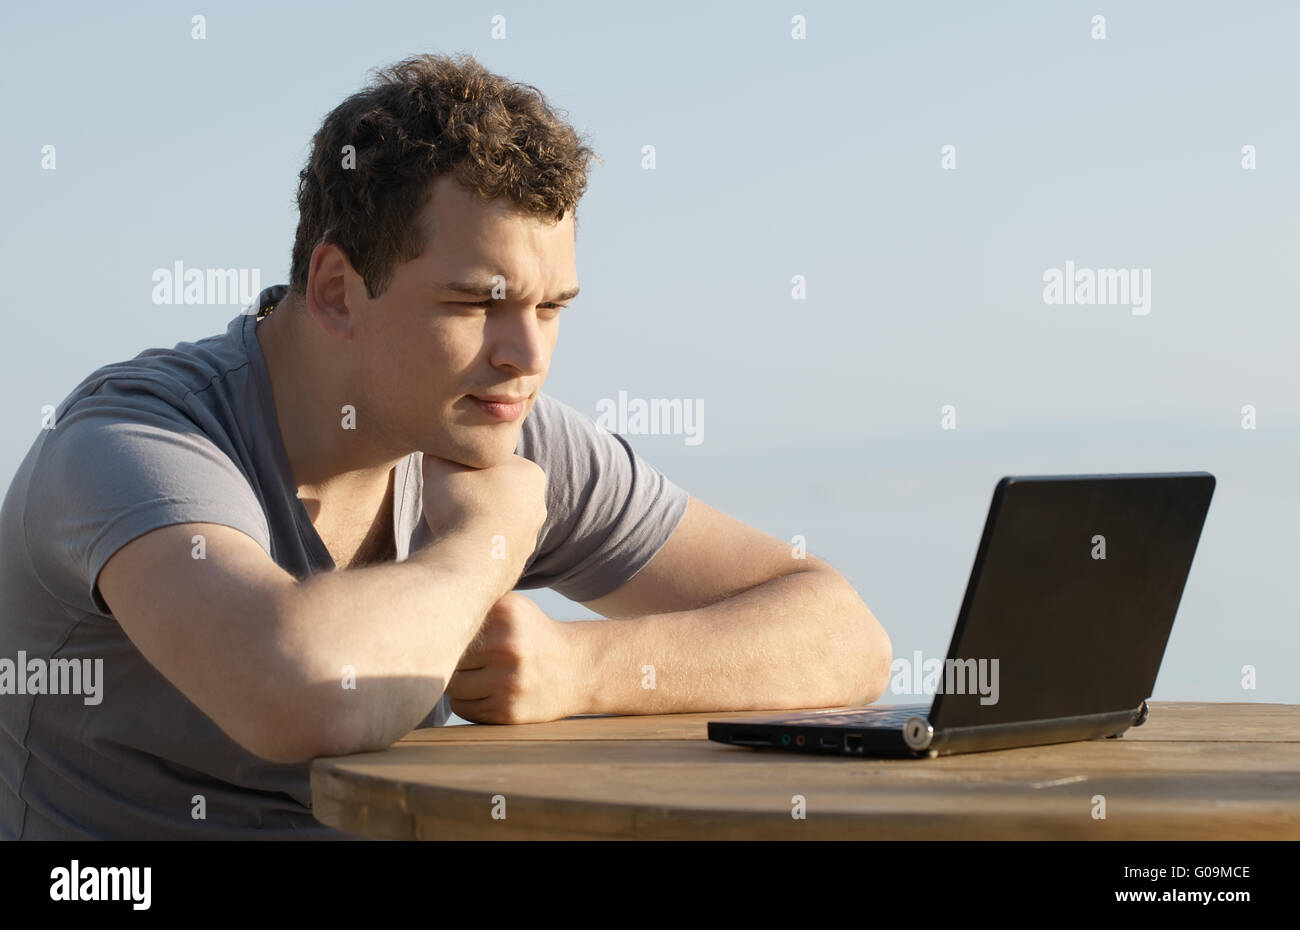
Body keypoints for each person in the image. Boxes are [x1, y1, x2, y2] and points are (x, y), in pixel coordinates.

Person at [0, 53, 891, 839]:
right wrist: (483, 548)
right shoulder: (131, 442)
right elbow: (300, 692)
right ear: (339, 291)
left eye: (551, 307)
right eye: (475, 304)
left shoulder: (501, 425)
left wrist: (578, 668)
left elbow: (844, 636)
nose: (527, 357)